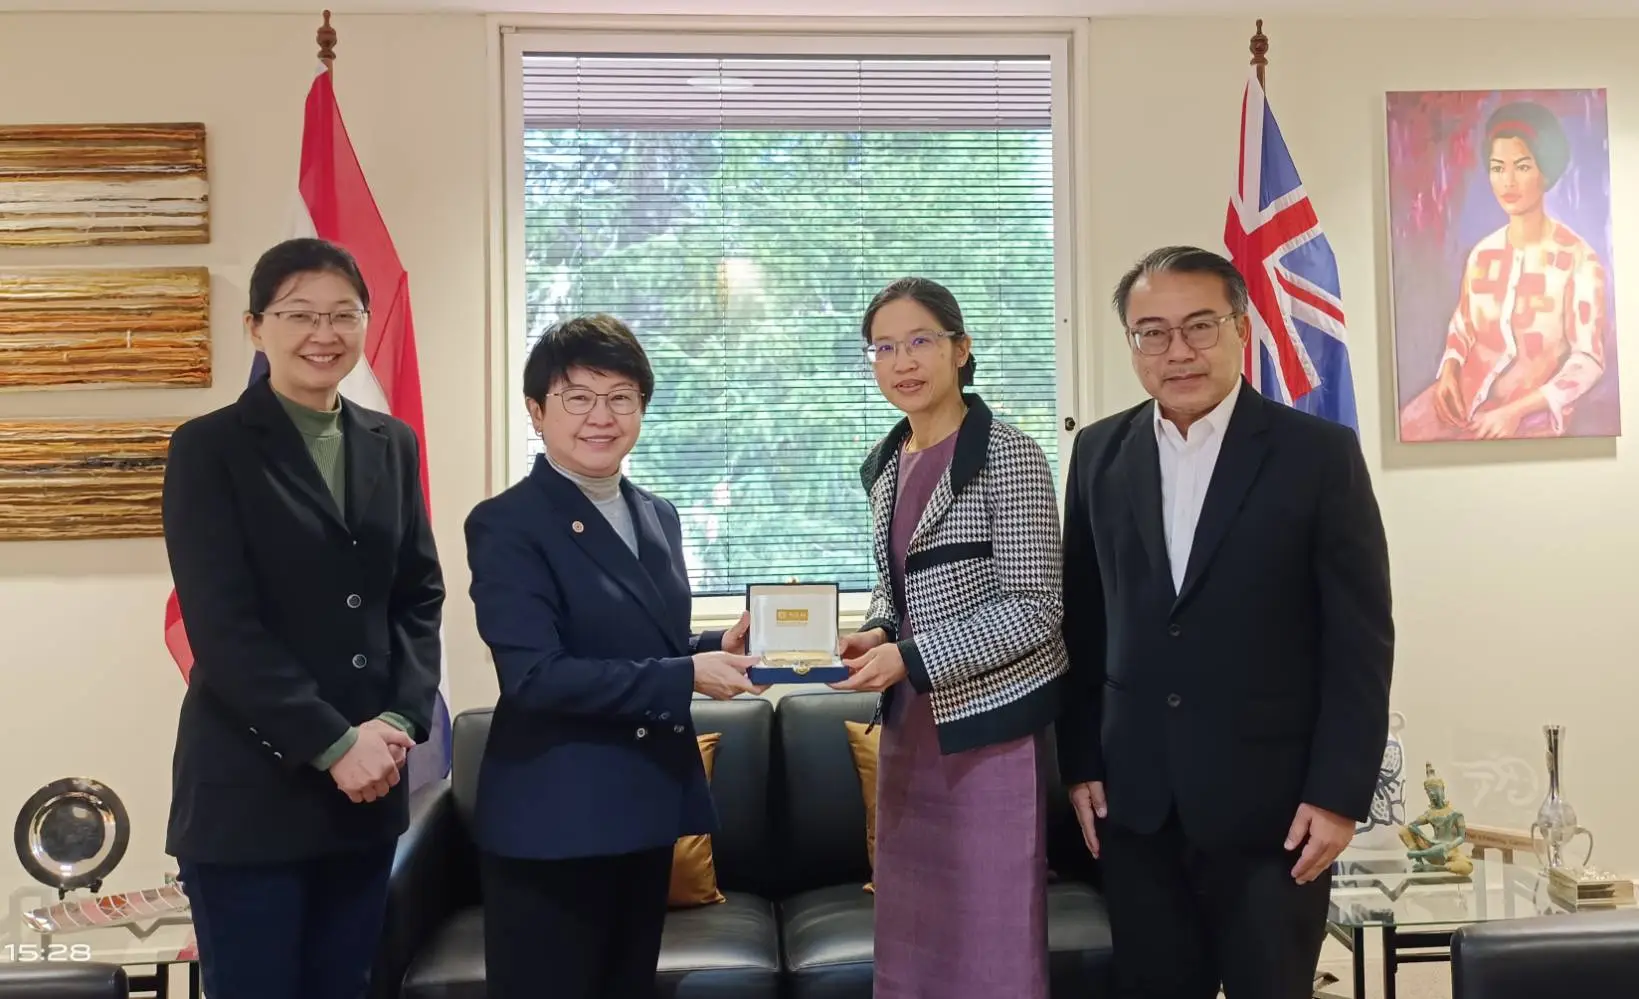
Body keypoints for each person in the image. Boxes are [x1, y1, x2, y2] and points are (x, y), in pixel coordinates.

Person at [1056, 246, 1394, 999]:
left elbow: (1359, 641)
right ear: (1131, 345)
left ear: (1241, 328)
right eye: (1152, 332)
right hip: (1136, 809)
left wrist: (1339, 795)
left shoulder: (1317, 454)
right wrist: (1077, 763)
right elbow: (1080, 623)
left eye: (1198, 326)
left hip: (1275, 814)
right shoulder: (1096, 453)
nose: (1177, 351)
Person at [161, 237, 445, 999]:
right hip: (251, 796)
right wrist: (331, 741)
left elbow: (417, 594)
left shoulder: (393, 443)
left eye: (343, 314)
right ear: (256, 326)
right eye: (299, 314)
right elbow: (221, 628)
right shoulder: (208, 448)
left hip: (365, 793)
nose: (324, 333)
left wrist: (398, 718)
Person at [464, 314, 761, 999]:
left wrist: (719, 646)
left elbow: (643, 643)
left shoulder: (655, 513)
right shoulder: (507, 522)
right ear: (536, 411)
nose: (601, 416)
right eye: (578, 397)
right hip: (554, 819)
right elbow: (535, 675)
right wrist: (687, 672)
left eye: (621, 397)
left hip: (643, 805)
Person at [834, 277, 1067, 999]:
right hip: (909, 734)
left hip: (989, 737)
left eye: (920, 341)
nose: (902, 361)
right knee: (912, 943)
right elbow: (895, 585)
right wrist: (875, 627)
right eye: (884, 347)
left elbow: (1035, 607)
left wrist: (907, 655)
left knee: (989, 942)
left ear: (961, 350)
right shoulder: (886, 464)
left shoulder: (1011, 455)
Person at [1399, 99, 1611, 441]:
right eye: (1498, 168)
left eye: (1522, 166)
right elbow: (1462, 327)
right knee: (1408, 426)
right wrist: (1450, 369)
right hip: (1465, 401)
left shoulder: (1578, 260)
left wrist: (1515, 412)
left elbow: (1588, 359)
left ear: (1546, 170)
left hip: (1531, 414)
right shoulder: (1483, 254)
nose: (1508, 181)